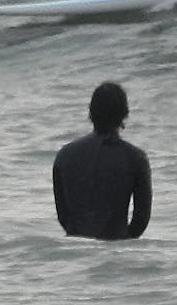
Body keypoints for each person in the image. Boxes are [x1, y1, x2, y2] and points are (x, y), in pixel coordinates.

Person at [53, 82, 152, 240]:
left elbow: (63, 216)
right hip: (116, 247)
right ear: (124, 113)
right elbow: (141, 219)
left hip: (73, 252)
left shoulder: (64, 156)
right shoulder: (135, 158)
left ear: (91, 112)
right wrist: (124, 238)